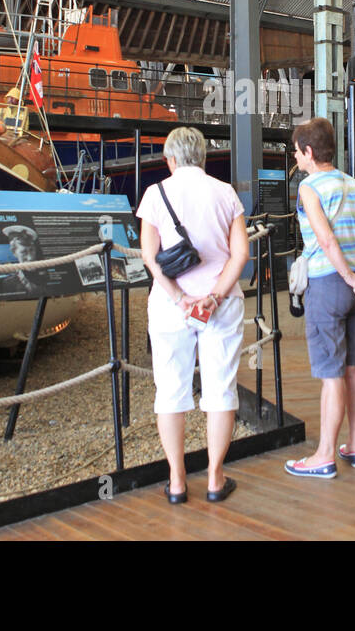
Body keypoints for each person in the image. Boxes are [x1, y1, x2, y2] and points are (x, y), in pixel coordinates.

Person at [136, 126, 249, 504]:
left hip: (171, 307)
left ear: (169, 159)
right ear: (203, 156)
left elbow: (150, 257)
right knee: (220, 390)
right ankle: (216, 479)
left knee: (170, 390)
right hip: (221, 304)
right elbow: (240, 255)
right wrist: (213, 297)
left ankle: (177, 481)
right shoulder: (225, 192)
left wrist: (180, 297)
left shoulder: (155, 194)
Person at [285, 116, 355, 479]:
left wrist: (348, 277)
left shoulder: (310, 188)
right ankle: (354, 447)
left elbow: (325, 240)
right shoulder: (352, 183)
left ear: (309, 152)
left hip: (328, 285)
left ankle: (324, 455)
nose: (296, 158)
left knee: (331, 373)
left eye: (297, 152)